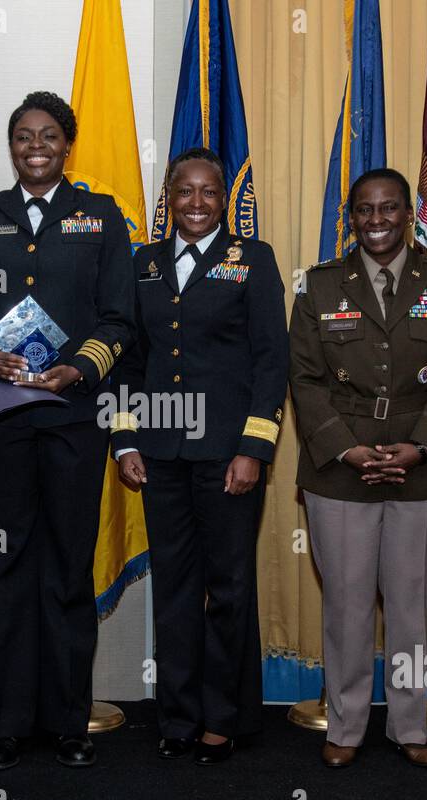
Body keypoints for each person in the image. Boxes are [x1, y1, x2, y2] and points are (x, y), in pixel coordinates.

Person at [0, 91, 134, 771]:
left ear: (67, 144)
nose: (35, 145)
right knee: (8, 567)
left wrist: (77, 370)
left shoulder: (101, 218)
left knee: (66, 570)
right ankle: (6, 722)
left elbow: (120, 320)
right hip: (0, 425)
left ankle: (68, 719)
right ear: (11, 145)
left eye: (48, 135)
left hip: (74, 423)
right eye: (23, 136)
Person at [288, 168, 427, 770]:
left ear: (407, 213)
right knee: (345, 603)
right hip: (338, 468)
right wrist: (346, 448)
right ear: (351, 217)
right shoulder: (319, 287)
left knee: (408, 603)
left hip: (420, 468)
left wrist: (423, 446)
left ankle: (408, 725)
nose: (377, 221)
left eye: (390, 209)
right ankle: (345, 728)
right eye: (365, 210)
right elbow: (305, 378)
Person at [113, 147, 287, 765]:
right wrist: (125, 437)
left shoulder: (253, 260)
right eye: (184, 192)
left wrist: (253, 449)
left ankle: (224, 717)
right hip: (160, 452)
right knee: (177, 589)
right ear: (169, 197)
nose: (196, 202)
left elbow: (272, 362)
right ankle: (179, 716)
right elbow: (130, 359)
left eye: (208, 192)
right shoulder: (143, 263)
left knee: (230, 587)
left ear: (224, 199)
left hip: (227, 455)